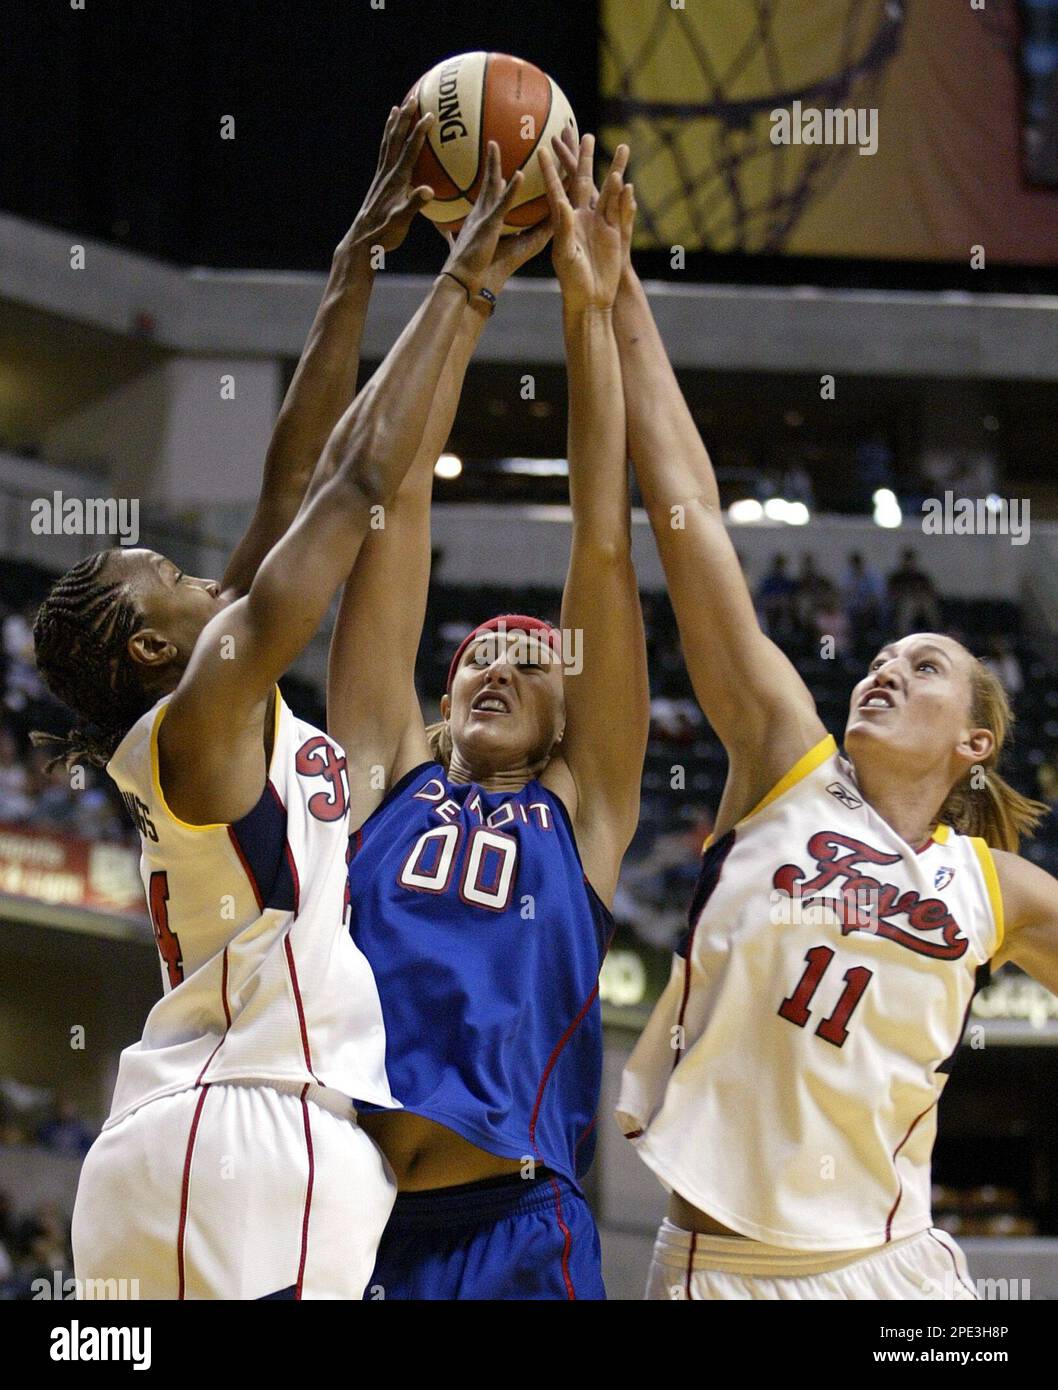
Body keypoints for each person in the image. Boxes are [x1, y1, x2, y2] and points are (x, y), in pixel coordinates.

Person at [30, 108, 525, 1299]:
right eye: (176, 576)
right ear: (155, 643)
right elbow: (351, 488)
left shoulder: (198, 722)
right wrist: (463, 282)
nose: (208, 572)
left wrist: (361, 247)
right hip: (254, 1130)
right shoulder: (203, 718)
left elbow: (294, 471)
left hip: (181, 1140)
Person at [557, 138, 1058, 1300]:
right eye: (879, 657)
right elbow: (686, 516)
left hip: (897, 1274)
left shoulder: (990, 889)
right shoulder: (790, 764)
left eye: (922, 666)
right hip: (722, 1269)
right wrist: (619, 286)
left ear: (975, 738)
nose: (884, 669)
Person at [331, 135, 647, 1300]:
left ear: (569, 712)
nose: (501, 665)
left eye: (531, 658)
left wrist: (587, 306)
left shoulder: (585, 812)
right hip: (339, 1212)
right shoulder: (384, 779)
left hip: (514, 1223)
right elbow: (393, 493)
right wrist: (466, 283)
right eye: (478, 658)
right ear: (443, 694)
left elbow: (601, 541)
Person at [887, 547, 942, 636]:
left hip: (921, 602)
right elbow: (891, 593)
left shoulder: (921, 576)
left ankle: (936, 633)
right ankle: (903, 635)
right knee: (908, 607)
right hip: (903, 603)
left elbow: (932, 592)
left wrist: (920, 595)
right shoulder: (897, 577)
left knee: (928, 605)